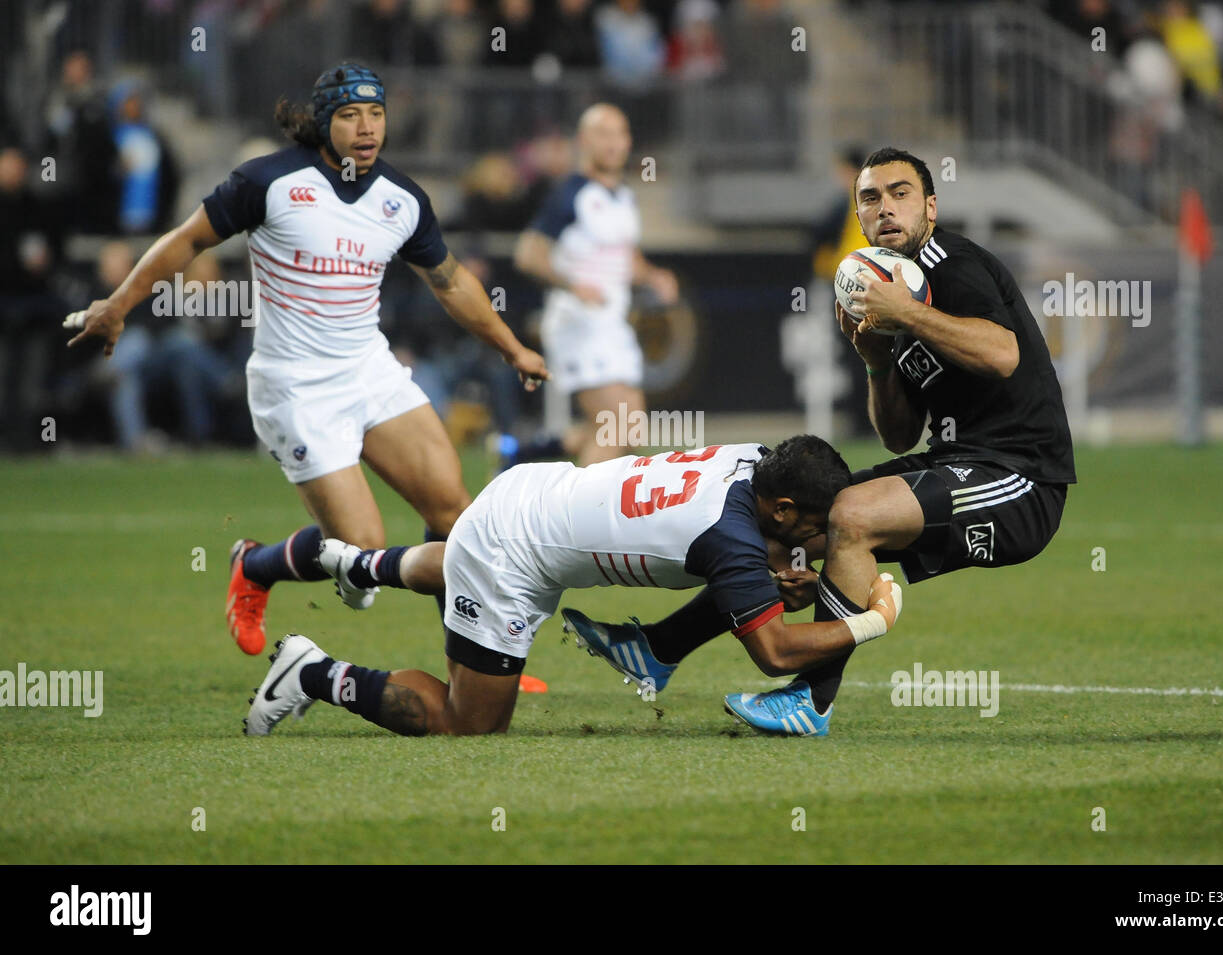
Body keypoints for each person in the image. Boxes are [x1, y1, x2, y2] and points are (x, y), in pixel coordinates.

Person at [567, 147, 1076, 736]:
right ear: (858, 216)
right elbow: (899, 434)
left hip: (1021, 478)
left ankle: (812, 700)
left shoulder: (951, 265)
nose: (885, 208)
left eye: (900, 193)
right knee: (797, 525)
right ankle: (658, 648)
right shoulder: (884, 290)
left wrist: (906, 316)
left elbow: (1002, 354)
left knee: (852, 516)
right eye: (870, 198)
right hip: (955, 459)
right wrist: (877, 363)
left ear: (930, 207)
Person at [64, 63, 549, 655]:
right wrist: (118, 305)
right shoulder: (267, 182)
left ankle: (479, 672)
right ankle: (256, 566)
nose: (367, 128)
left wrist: (514, 348)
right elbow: (188, 239)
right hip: (296, 387)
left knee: (458, 519)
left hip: (369, 371)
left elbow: (451, 283)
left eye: (376, 114)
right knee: (361, 556)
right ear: (323, 123)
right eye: (350, 115)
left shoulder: (402, 198)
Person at [243, 436, 904, 737]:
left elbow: (726, 536)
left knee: (466, 549)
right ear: (783, 508)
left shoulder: (754, 458)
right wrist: (873, 619)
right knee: (470, 721)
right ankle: (313, 673)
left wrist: (767, 569)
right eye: (815, 528)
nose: (821, 541)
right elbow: (777, 653)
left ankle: (360, 565)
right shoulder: (732, 543)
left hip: (534, 487)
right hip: (511, 554)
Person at [512, 103, 678, 466]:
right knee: (615, 426)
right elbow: (528, 253)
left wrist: (653, 276)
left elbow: (626, 258)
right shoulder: (570, 194)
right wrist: (574, 285)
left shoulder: (623, 197)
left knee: (630, 430)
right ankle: (581, 518)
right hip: (579, 321)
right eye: (604, 134)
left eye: (620, 133)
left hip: (612, 323)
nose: (614, 143)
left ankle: (523, 454)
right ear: (584, 141)